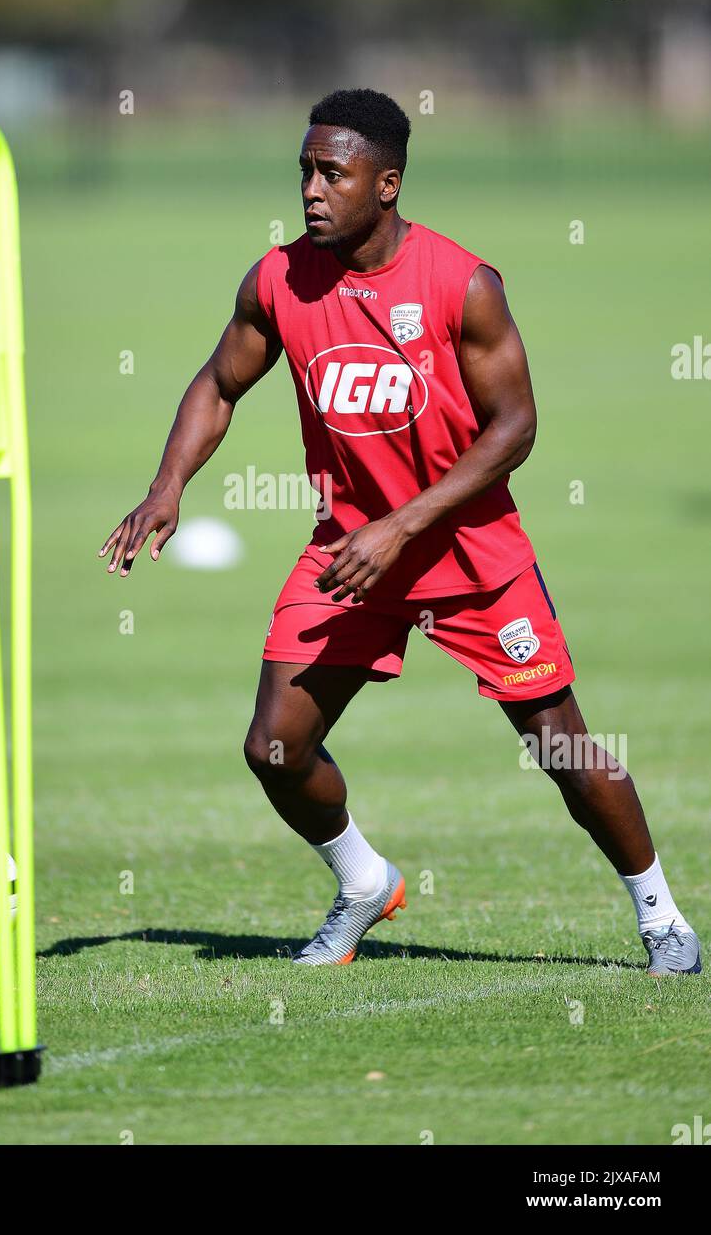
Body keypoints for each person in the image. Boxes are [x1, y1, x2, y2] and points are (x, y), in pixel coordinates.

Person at [99, 88, 699, 976]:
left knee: (561, 746)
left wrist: (402, 524)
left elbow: (515, 430)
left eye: (331, 173)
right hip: (348, 557)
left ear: (386, 183)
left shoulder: (463, 284)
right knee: (275, 747)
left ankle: (662, 919)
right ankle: (364, 882)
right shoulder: (278, 278)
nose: (310, 188)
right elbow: (220, 384)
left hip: (470, 557)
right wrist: (166, 486)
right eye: (304, 169)